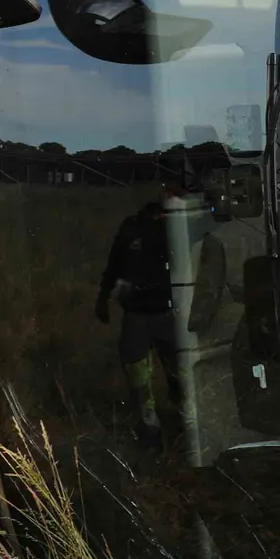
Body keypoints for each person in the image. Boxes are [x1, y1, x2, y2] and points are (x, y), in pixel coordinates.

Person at [97, 174, 189, 447]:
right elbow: (114, 266)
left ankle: (189, 426)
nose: (166, 192)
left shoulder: (181, 226)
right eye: (164, 187)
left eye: (173, 189)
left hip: (169, 313)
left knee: (180, 374)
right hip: (136, 315)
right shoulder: (131, 226)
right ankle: (150, 433)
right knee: (138, 378)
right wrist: (102, 299)